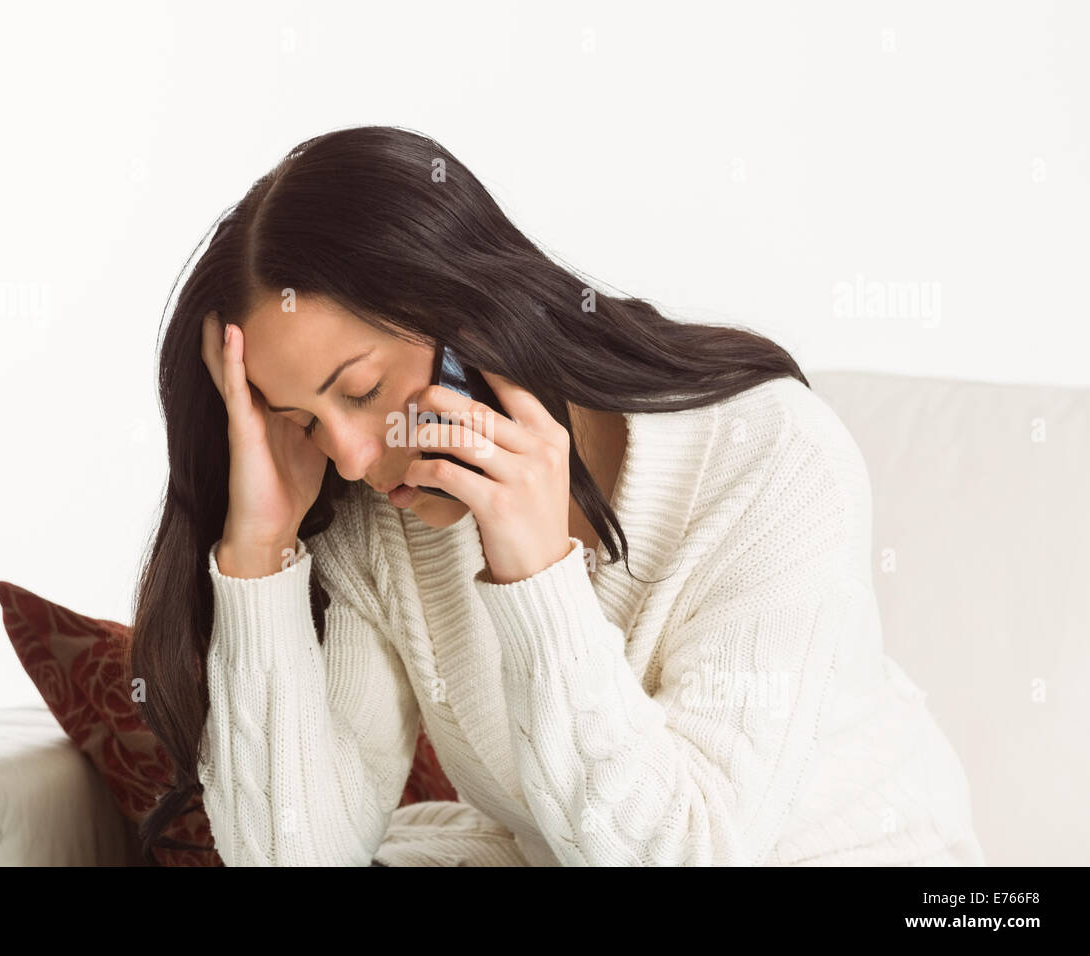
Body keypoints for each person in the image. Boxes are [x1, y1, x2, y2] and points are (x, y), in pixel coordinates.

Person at [130, 125, 985, 867]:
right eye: (299, 421)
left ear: (471, 317)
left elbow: (684, 853)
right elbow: (293, 857)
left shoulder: (770, 459)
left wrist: (537, 574)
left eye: (359, 390)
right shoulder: (378, 520)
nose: (350, 459)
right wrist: (259, 550)